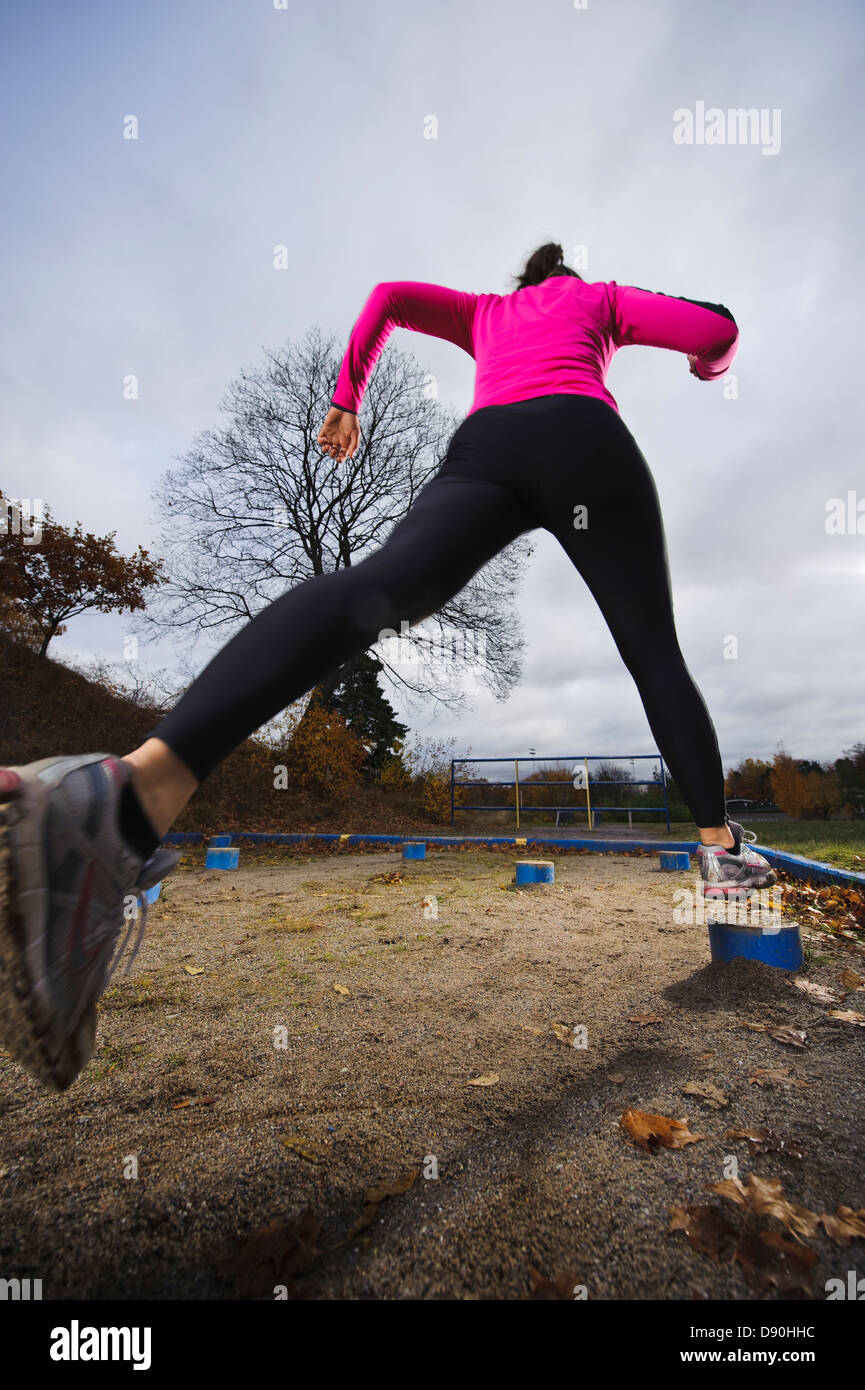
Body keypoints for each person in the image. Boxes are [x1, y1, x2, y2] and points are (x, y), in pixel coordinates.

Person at [0, 241, 775, 1091]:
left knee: (377, 586)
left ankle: (125, 795)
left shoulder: (485, 313)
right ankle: (720, 852)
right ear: (570, 282)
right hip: (584, 438)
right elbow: (715, 326)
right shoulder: (599, 300)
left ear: (522, 284)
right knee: (650, 648)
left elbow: (390, 296)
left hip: (490, 451)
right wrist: (710, 362)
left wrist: (346, 398)